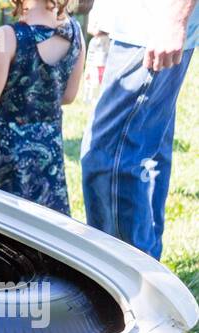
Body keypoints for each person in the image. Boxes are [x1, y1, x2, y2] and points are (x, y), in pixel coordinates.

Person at [81, 0, 199, 258]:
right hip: (140, 25)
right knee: (147, 155)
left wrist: (174, 19)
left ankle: (125, 283)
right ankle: (150, 275)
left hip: (151, 28)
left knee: (108, 159)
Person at [0, 1, 85, 214]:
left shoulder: (6, 36)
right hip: (47, 159)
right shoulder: (75, 33)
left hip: (1, 155)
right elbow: (68, 95)